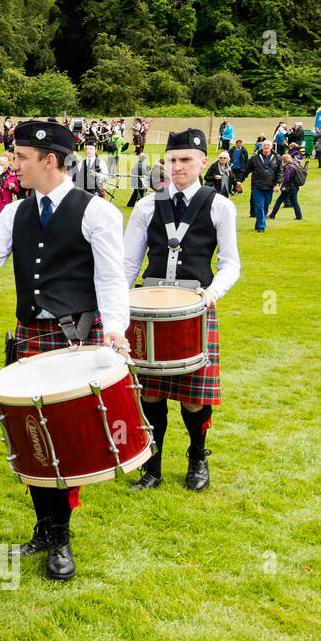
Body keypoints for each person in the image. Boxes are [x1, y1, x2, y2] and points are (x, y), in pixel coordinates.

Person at [0, 120, 130, 581]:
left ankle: (59, 539)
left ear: (50, 160)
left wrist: (117, 328)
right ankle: (46, 529)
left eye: (21, 157)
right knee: (32, 436)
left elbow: (110, 277)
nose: (12, 164)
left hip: (78, 337)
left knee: (64, 439)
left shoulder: (97, 212)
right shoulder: (13, 213)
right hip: (30, 334)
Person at [123, 128, 240, 493]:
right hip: (147, 310)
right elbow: (129, 262)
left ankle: (197, 456)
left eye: (186, 159)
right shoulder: (146, 204)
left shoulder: (220, 205)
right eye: (172, 159)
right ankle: (152, 467)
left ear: (203, 162)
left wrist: (212, 293)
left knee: (193, 398)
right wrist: (119, 303)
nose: (177, 166)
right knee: (149, 393)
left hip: (195, 309)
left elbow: (231, 264)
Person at [247, 140, 282, 232]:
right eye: (264, 145)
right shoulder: (255, 158)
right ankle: (262, 226)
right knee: (259, 206)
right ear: (262, 147)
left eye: (268, 145)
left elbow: (280, 172)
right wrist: (238, 181)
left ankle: (258, 224)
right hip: (257, 186)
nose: (266, 147)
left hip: (270, 186)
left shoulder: (277, 158)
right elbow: (246, 169)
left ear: (271, 147)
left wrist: (277, 184)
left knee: (265, 207)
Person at [270, 149, 305, 220]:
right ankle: (299, 216)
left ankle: (272, 215)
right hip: (295, 187)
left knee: (279, 201)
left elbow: (286, 178)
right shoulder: (294, 165)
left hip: (288, 187)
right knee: (294, 202)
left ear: (283, 160)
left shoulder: (287, 167)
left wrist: (280, 185)